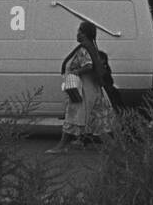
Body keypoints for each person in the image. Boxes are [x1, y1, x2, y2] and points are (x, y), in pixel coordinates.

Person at [48, 21, 115, 153]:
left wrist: (75, 72)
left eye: (80, 31)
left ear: (85, 34)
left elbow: (88, 65)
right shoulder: (91, 47)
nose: (77, 33)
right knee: (98, 120)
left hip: (84, 91)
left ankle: (61, 147)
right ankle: (115, 148)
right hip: (94, 90)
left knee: (73, 116)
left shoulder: (84, 49)